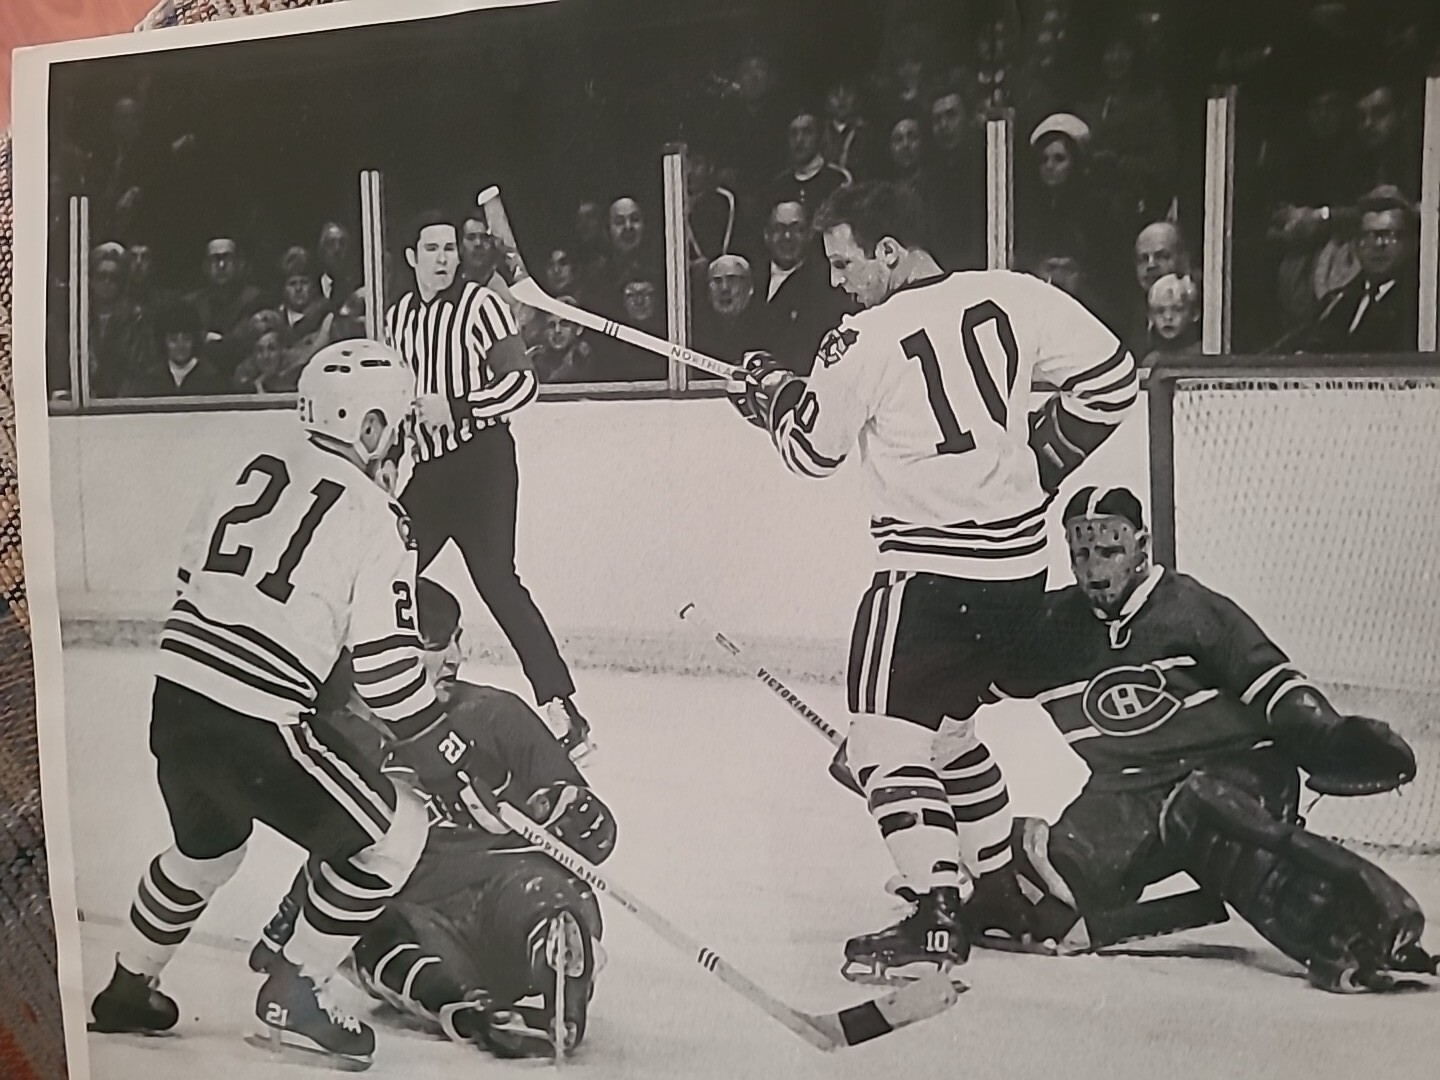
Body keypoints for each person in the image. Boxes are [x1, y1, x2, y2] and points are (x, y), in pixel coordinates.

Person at [726, 180, 1137, 984]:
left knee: (882, 744)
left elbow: (813, 451)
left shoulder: (859, 339)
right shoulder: (1014, 296)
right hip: (1020, 571)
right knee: (947, 734)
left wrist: (773, 399)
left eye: (844, 264)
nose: (839, 283)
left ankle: (935, 906)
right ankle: (995, 893)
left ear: (888, 251)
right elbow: (1114, 380)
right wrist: (1040, 466)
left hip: (926, 576)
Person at [87, 341, 500, 1067]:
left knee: (206, 850)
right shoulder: (380, 515)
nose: (400, 444)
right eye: (397, 426)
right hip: (256, 718)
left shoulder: (253, 467)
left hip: (177, 699)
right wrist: (444, 755)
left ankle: (129, 986)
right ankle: (295, 988)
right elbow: (387, 677)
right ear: (369, 429)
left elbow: (195, 574)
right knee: (396, 832)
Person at [978, 486, 1435, 992]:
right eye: (1081, 553)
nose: (1093, 567)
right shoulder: (1052, 626)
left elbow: (1273, 682)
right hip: (1126, 789)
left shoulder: (1189, 608)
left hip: (1238, 770)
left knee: (1198, 809)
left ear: (1141, 548)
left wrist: (1324, 735)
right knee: (1050, 885)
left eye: (1109, 550)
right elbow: (962, 683)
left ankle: (1364, 933)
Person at [249, 580, 615, 1058]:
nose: (456, 656)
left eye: (458, 638)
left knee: (550, 896)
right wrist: (289, 919)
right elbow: (328, 853)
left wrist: (579, 817)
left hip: (504, 891)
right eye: (434, 644)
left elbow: (590, 828)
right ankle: (472, 1008)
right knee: (365, 929)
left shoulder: (495, 713)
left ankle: (557, 970)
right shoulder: (338, 735)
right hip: (412, 915)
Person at [383, 210, 592, 760]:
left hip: (483, 465)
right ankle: (379, 695)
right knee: (385, 571)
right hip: (427, 473)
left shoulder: (482, 307)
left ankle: (562, 708)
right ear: (412, 258)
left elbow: (522, 385)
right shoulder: (398, 318)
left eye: (450, 248)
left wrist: (456, 406)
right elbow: (401, 401)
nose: (444, 257)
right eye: (431, 249)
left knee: (499, 583)